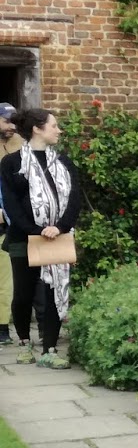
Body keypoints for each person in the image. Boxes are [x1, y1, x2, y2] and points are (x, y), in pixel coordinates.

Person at [1, 109, 82, 368]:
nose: (59, 131)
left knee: (52, 292)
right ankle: (24, 343)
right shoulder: (12, 164)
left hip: (55, 238)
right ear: (38, 128)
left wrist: (59, 227)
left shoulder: (63, 162)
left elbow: (74, 200)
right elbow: (11, 204)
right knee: (23, 294)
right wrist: (35, 231)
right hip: (23, 238)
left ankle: (49, 349)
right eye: (54, 126)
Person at [0, 104, 21, 344]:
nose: (12, 126)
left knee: (5, 281)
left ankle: (3, 328)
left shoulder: (20, 144)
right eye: (7, 121)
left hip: (6, 224)